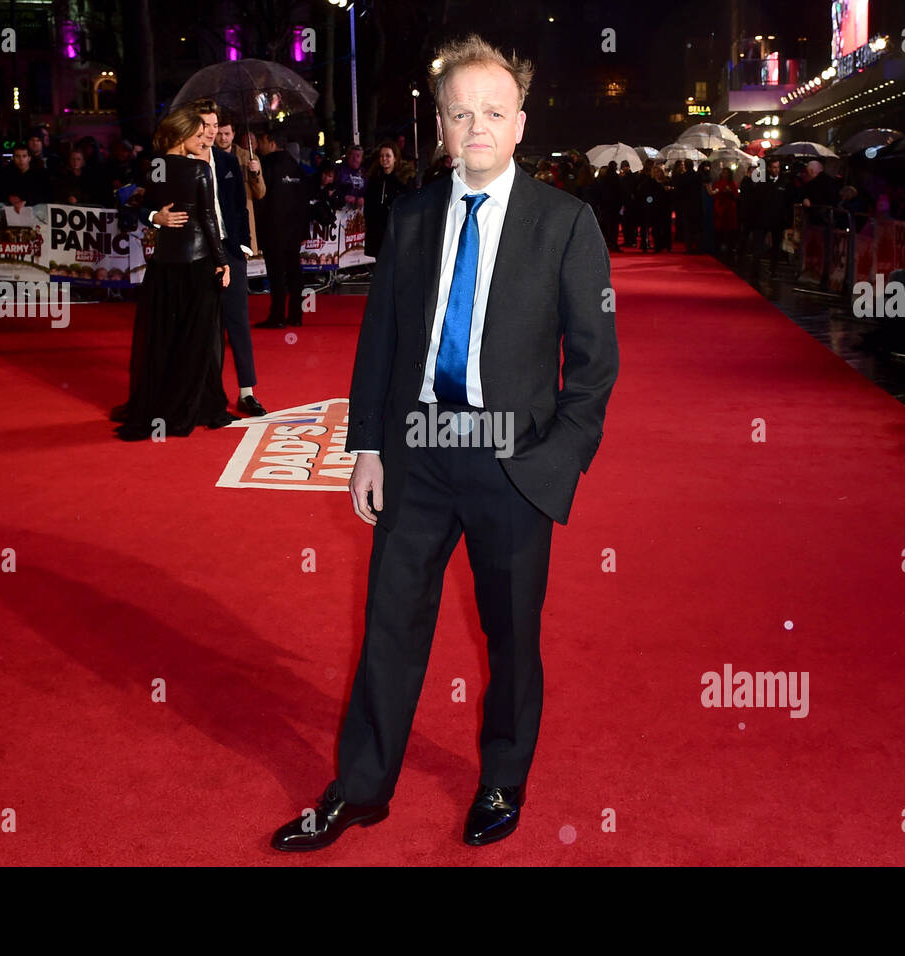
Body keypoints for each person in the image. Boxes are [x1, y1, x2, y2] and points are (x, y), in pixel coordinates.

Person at [270, 33, 619, 852]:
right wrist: (366, 447)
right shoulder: (415, 214)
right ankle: (360, 790)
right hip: (418, 453)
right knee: (388, 624)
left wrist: (550, 464)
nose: (477, 128)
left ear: (521, 123)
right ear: (442, 123)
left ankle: (503, 777)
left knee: (510, 635)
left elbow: (595, 367)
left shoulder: (567, 224)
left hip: (512, 462)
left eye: (493, 112)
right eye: (461, 113)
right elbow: (382, 340)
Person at [110, 108, 237, 440]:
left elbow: (139, 206)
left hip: (163, 267)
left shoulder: (155, 166)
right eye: (198, 135)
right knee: (199, 340)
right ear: (182, 137)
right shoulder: (199, 168)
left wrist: (155, 217)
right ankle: (195, 406)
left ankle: (164, 404)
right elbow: (208, 219)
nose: (203, 141)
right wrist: (222, 261)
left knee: (164, 338)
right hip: (198, 265)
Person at [185, 99, 266, 417]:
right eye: (205, 125)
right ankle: (208, 394)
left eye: (214, 125)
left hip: (231, 252)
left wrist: (243, 246)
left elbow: (239, 208)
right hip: (199, 253)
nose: (210, 131)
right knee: (205, 324)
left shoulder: (230, 162)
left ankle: (247, 392)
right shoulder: (185, 161)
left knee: (238, 322)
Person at [253, 128, 309, 329]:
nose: (258, 146)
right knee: (294, 273)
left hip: (273, 230)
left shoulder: (267, 165)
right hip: (293, 230)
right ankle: (296, 315)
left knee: (277, 275)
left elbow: (260, 197)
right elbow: (304, 200)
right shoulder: (297, 166)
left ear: (271, 141)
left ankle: (277, 316)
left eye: (260, 141)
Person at [216, 118, 266, 261]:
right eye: (219, 134)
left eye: (226, 133)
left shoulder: (247, 157)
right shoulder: (209, 156)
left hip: (241, 222)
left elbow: (260, 193)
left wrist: (255, 173)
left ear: (233, 134)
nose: (223, 138)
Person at [364, 140, 412, 259]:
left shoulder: (403, 181)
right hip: (378, 230)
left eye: (388, 155)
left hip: (396, 230)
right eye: (381, 156)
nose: (384, 159)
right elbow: (369, 204)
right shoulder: (374, 180)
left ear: (395, 158)